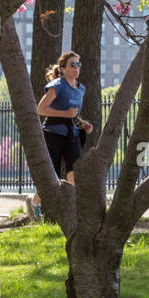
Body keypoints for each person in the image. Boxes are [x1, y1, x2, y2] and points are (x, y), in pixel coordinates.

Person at [30, 51, 93, 220]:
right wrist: (66, 114)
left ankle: (72, 211)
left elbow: (73, 114)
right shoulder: (57, 85)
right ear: (63, 69)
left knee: (74, 174)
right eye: (72, 64)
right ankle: (34, 202)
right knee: (53, 177)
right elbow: (41, 109)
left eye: (78, 64)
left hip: (71, 134)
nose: (76, 68)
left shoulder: (81, 89)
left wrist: (83, 123)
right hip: (53, 134)